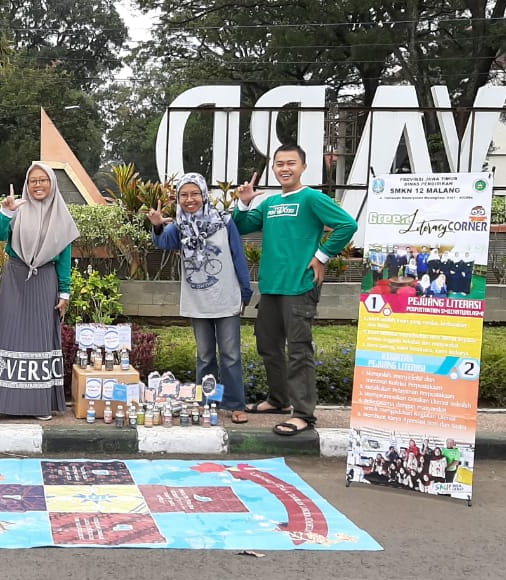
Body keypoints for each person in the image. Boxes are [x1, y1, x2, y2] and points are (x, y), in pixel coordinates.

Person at [233, 143, 358, 436]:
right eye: (279, 164)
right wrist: (244, 202)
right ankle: (278, 400)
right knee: (268, 346)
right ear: (274, 169)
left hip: (300, 286)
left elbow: (346, 225)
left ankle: (303, 413)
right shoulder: (269, 203)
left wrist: (321, 256)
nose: (284, 168)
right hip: (272, 287)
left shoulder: (312, 197)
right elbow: (240, 227)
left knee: (299, 350)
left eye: (291, 163)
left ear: (303, 166)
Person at [0, 162, 79, 427]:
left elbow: (63, 257)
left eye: (44, 180)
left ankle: (38, 403)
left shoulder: (60, 215)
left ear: (52, 183)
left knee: (40, 340)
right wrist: (5, 212)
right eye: (33, 181)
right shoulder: (17, 209)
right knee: (7, 337)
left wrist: (64, 291)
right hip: (16, 279)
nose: (38, 184)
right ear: (26, 185)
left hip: (46, 281)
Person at [146, 172, 254, 424]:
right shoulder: (179, 226)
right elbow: (163, 242)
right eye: (184, 195)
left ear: (204, 195)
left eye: (195, 193)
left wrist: (245, 290)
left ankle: (235, 404)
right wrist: (157, 225)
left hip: (226, 297)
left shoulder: (224, 221)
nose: (190, 199)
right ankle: (207, 402)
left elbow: (238, 255)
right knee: (205, 355)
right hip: (198, 300)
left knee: (231, 354)